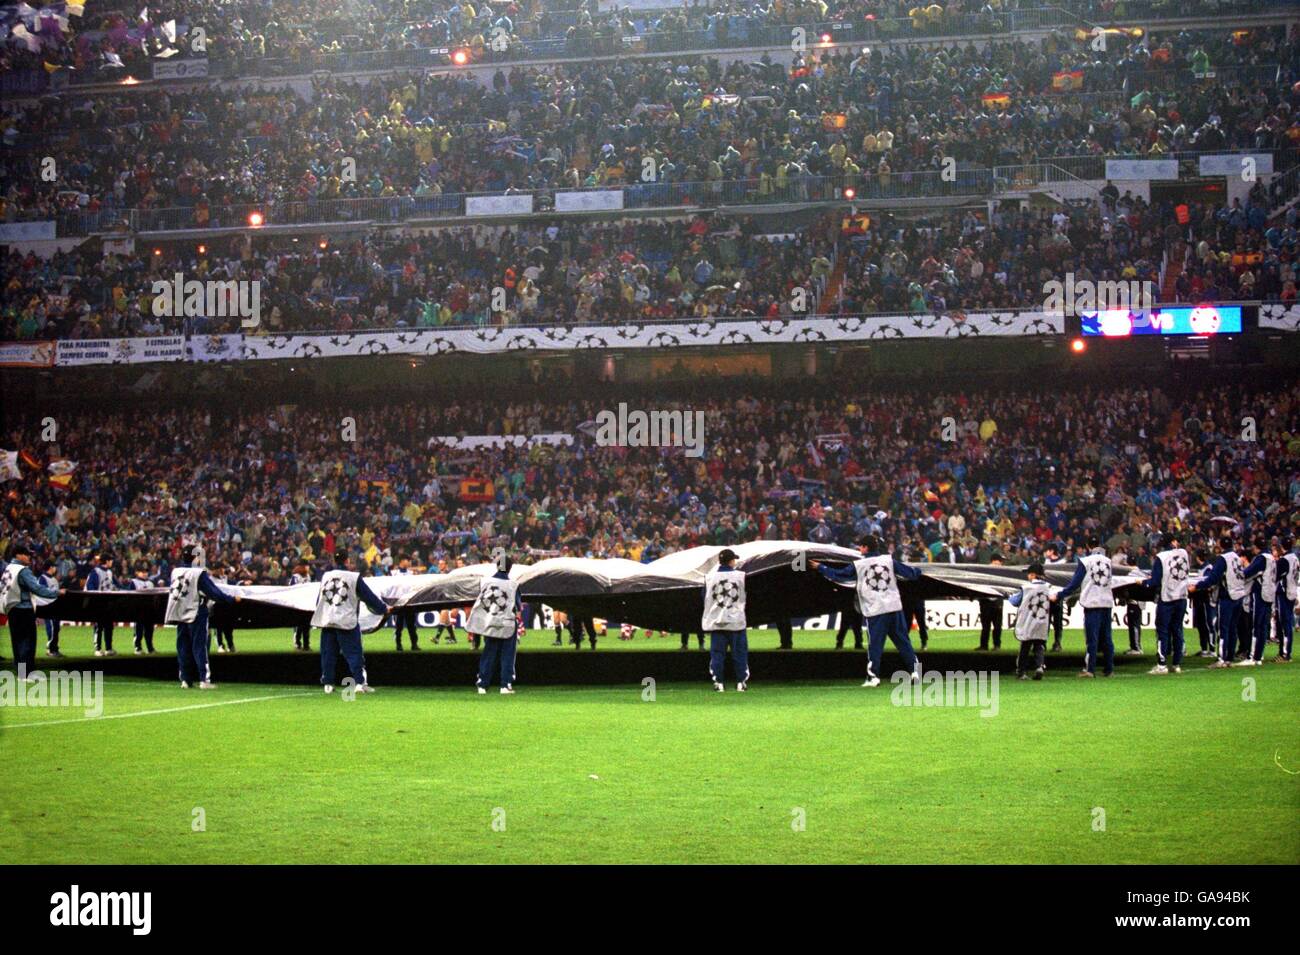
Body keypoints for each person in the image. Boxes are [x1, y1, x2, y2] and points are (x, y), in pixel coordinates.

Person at [810, 535, 921, 688]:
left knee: (875, 645)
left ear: (866, 548)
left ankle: (873, 677)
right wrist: (920, 571)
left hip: (875, 610)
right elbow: (910, 573)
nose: (859, 549)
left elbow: (839, 575)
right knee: (903, 642)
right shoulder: (888, 560)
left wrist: (820, 567)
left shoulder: (859, 564)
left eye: (860, 546)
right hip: (894, 607)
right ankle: (916, 671)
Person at [164, 546, 241, 690]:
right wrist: (231, 599)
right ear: (195, 557)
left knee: (183, 646)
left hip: (180, 612)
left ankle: (185, 680)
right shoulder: (199, 573)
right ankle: (204, 679)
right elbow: (213, 593)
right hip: (196, 612)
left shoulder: (176, 571)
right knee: (200, 646)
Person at [313, 552, 387, 694]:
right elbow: (369, 597)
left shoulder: (325, 576)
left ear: (334, 560)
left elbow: (320, 600)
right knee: (354, 653)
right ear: (347, 561)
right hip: (346, 621)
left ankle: (328, 684)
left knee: (328, 653)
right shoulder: (354, 577)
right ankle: (359, 683)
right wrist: (383, 608)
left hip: (328, 620)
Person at [1054, 539, 1115, 678]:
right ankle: (1109, 669)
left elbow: (1075, 583)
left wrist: (1060, 595)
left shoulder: (1085, 561)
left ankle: (1090, 669)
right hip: (1106, 602)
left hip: (1092, 603)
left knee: (1092, 639)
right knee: (1107, 638)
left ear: (1088, 546)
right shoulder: (1109, 562)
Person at [1, 546, 65, 680]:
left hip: (12, 609)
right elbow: (36, 588)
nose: (29, 557)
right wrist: (57, 593)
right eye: (26, 555)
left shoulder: (8, 568)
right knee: (27, 642)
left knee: (17, 642)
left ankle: (21, 672)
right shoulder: (23, 571)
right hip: (24, 609)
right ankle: (27, 673)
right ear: (18, 555)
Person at [1189, 537, 1248, 669]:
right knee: (1233, 628)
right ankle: (1229, 658)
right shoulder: (1237, 557)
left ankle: (1222, 658)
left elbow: (1213, 578)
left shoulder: (1223, 559)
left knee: (1223, 628)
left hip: (1228, 596)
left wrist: (1197, 586)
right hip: (1239, 595)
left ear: (1220, 545)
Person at [468, 555, 521, 694]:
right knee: (507, 654)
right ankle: (505, 685)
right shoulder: (513, 585)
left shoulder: (485, 582)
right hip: (507, 623)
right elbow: (517, 607)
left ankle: (482, 685)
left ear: (497, 566)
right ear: (510, 568)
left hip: (490, 622)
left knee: (489, 652)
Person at [703, 548, 749, 692]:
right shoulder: (741, 576)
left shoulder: (709, 577)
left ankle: (719, 683)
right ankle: (741, 683)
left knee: (717, 655)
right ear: (731, 561)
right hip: (736, 622)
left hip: (717, 622)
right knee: (739, 654)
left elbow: (704, 597)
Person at [1146, 537, 1189, 675]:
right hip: (1182, 597)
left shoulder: (1161, 557)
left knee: (1162, 631)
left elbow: (1154, 581)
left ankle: (1162, 664)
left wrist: (1142, 583)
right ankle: (1176, 664)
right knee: (1177, 630)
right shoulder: (1184, 553)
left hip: (1167, 599)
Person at [1008, 562, 1052, 680]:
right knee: (1039, 646)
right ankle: (1039, 666)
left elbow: (1014, 601)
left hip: (1028, 621)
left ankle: (1021, 672)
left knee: (1025, 647)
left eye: (1029, 574)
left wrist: (1009, 596)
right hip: (1042, 621)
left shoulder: (1026, 588)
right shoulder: (1049, 587)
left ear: (1033, 575)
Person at [1240, 539, 1276, 667]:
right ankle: (1259, 656)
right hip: (1270, 594)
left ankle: (1253, 657)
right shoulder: (1271, 557)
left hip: (1260, 594)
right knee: (1263, 627)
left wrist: (1238, 574)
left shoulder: (1261, 558)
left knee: (1256, 626)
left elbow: (1248, 572)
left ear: (1256, 547)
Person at [86, 553, 118, 657]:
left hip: (108, 602)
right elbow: (90, 586)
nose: (112, 562)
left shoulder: (109, 572)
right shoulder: (95, 571)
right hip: (99, 602)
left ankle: (108, 648)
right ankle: (98, 648)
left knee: (109, 626)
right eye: (111, 560)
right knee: (98, 626)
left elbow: (114, 585)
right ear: (107, 561)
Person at [1190, 548, 1218, 658]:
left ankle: (1212, 649)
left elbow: (1208, 584)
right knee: (1201, 625)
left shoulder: (1208, 568)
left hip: (1206, 599)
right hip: (1199, 599)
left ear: (1197, 557)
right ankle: (1204, 648)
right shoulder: (1201, 568)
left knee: (1208, 624)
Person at [390, 557, 421, 651]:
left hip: (409, 602)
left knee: (412, 626)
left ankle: (414, 644)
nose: (409, 562)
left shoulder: (411, 574)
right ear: (402, 561)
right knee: (398, 626)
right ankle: (398, 644)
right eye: (408, 560)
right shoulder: (393, 573)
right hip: (398, 603)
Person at [1275, 541, 1297, 663]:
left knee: (1284, 624)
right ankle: (1286, 652)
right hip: (1292, 591)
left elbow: (1276, 575)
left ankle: (1285, 654)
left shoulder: (1284, 560)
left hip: (1284, 593)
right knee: (1287, 623)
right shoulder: (1295, 558)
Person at [975, 555, 1003, 650]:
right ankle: (985, 645)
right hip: (986, 602)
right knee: (986, 626)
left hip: (996, 602)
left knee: (997, 626)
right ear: (993, 561)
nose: (1000, 564)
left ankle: (996, 645)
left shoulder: (1000, 574)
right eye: (999, 562)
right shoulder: (985, 572)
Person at [130, 564, 159, 654]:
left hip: (149, 610)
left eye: (146, 572)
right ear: (137, 573)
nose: (145, 573)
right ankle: (137, 647)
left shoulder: (150, 583)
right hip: (138, 609)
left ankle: (150, 647)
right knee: (138, 630)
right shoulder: (133, 582)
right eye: (142, 572)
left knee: (149, 630)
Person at [39, 561, 63, 658]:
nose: (55, 569)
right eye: (54, 567)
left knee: (56, 628)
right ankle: (50, 649)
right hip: (47, 606)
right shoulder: (42, 578)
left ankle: (55, 648)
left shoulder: (54, 579)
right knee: (52, 628)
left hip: (55, 607)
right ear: (51, 567)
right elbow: (42, 591)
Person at [1044, 546, 1065, 651]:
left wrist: (1058, 594)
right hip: (1047, 596)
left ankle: (1057, 643)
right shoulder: (1046, 561)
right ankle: (1043, 643)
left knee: (1057, 622)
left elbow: (1063, 580)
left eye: (1047, 550)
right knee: (1044, 622)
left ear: (1051, 551)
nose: (1045, 552)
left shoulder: (1062, 562)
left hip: (1057, 596)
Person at [289, 563, 313, 651]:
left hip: (306, 603)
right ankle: (297, 643)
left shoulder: (308, 576)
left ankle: (306, 645)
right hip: (297, 603)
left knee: (306, 625)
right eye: (306, 566)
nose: (308, 567)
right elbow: (292, 588)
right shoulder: (295, 577)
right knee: (299, 625)